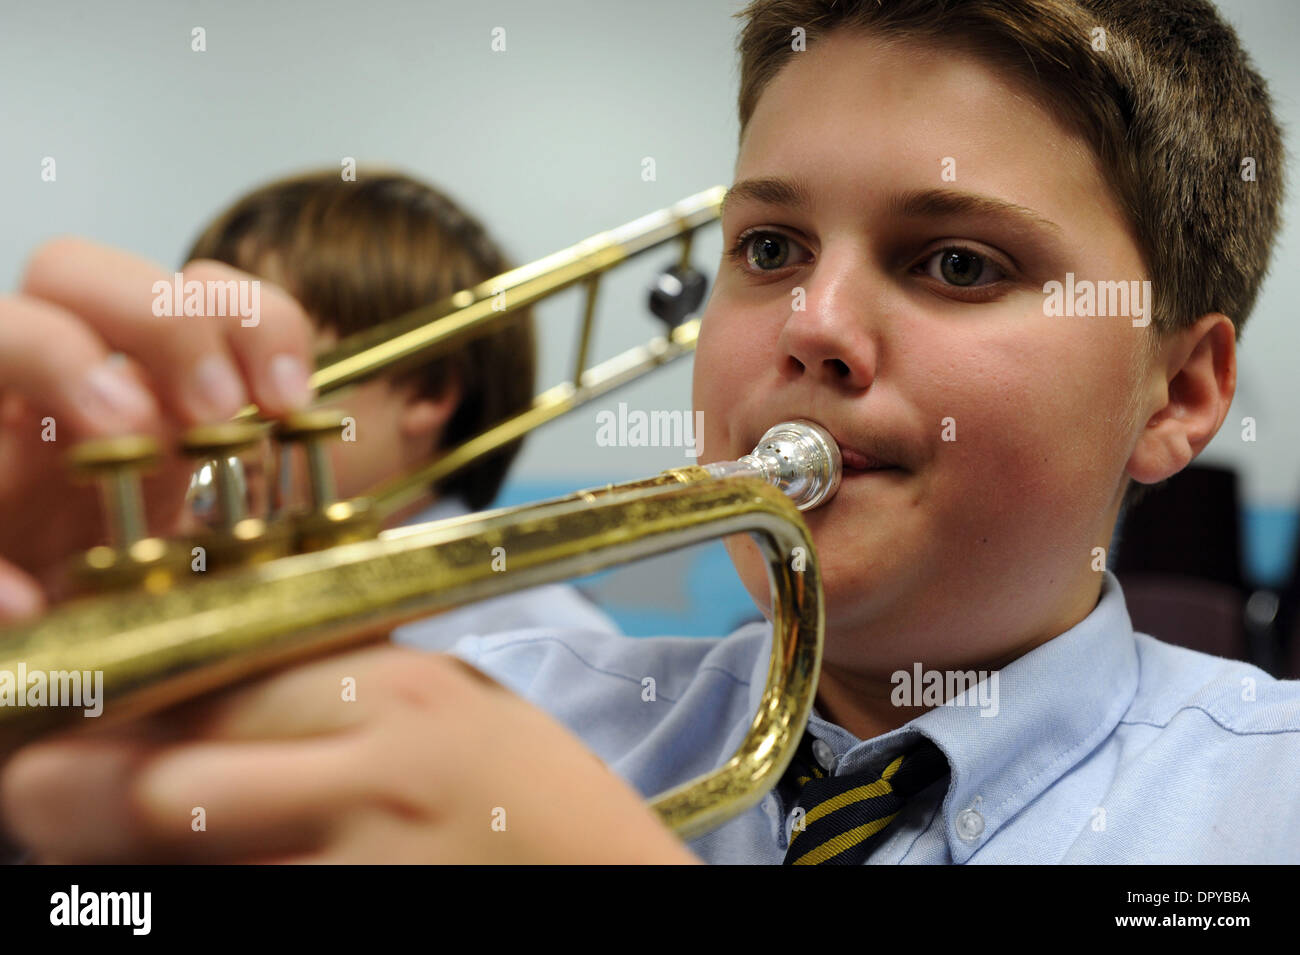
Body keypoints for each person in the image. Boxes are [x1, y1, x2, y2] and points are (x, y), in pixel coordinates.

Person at [1, 0, 1296, 864]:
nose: (812, 323)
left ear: (1178, 393)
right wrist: (66, 664)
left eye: (957, 261)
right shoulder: (504, 706)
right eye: (769, 247)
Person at [180, 169, 619, 647]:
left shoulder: (544, 643)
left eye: (256, 359)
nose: (206, 404)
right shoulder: (206, 568)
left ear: (422, 392)